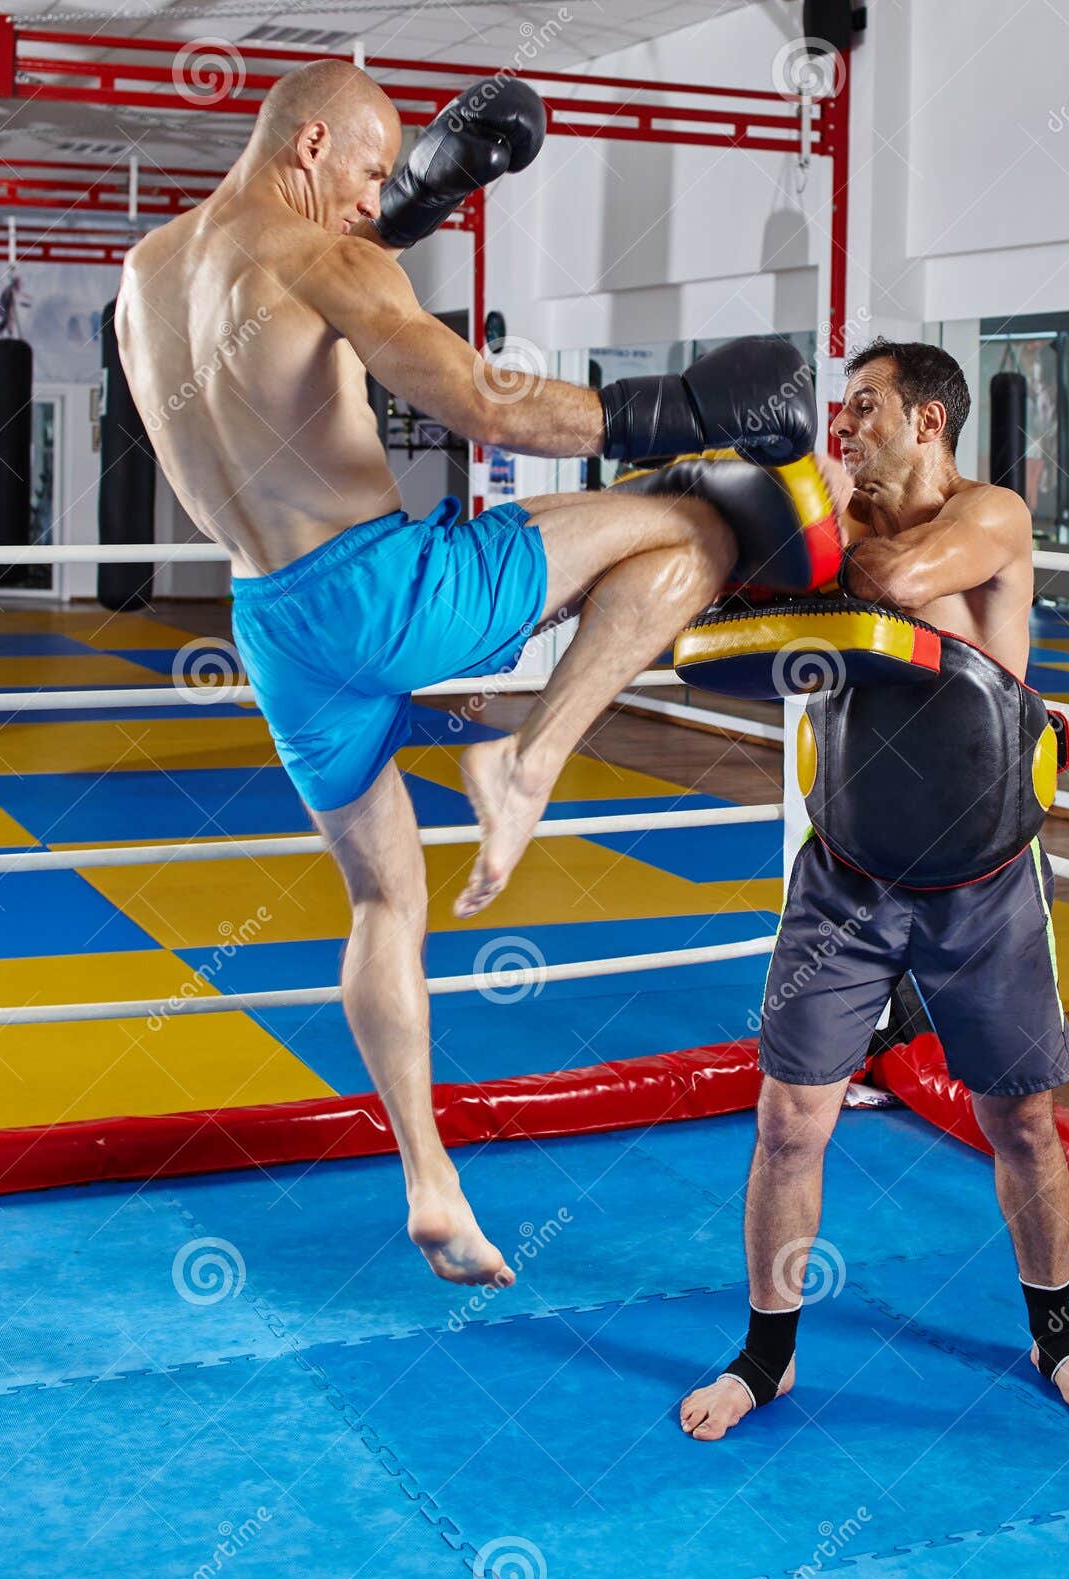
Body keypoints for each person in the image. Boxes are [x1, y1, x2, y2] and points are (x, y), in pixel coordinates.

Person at [116, 60, 814, 1288]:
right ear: (312, 143)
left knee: (386, 899)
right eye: (372, 174)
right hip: (380, 590)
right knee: (692, 524)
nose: (374, 199)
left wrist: (408, 205)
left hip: (272, 619)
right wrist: (692, 406)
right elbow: (487, 403)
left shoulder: (149, 269)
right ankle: (529, 757)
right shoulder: (329, 261)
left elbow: (269, 305)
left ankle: (430, 1183)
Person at [680, 340, 1069, 1437]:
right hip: (846, 882)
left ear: (928, 421)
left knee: (1018, 1122)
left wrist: (814, 522)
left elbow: (885, 585)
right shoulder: (828, 529)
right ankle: (767, 1351)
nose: (845, 426)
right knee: (788, 1119)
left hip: (983, 885)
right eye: (840, 410)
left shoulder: (992, 518)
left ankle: (1055, 1332)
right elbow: (716, 614)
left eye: (866, 407)